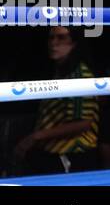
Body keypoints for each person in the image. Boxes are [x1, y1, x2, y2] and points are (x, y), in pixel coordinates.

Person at [13, 27, 101, 175]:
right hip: (54, 156)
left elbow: (84, 123)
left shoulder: (80, 76)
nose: (54, 43)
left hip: (73, 156)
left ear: (74, 43)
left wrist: (35, 137)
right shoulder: (60, 72)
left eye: (61, 38)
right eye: (51, 38)